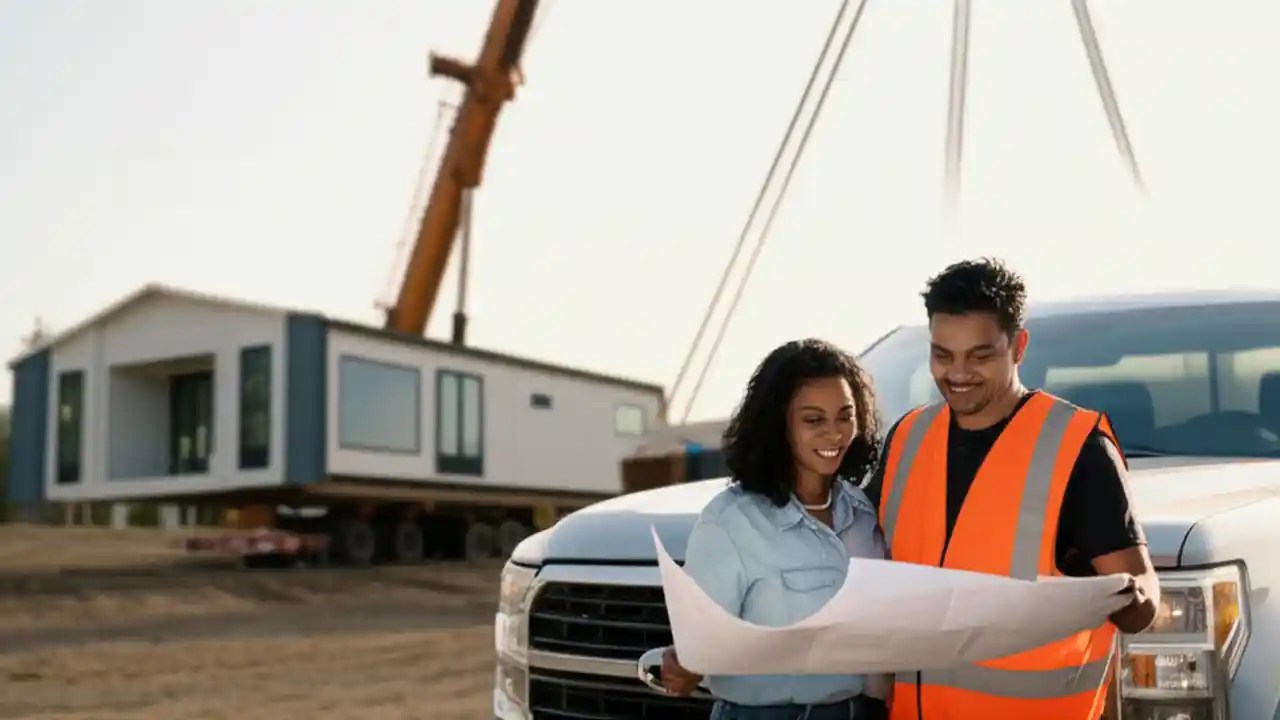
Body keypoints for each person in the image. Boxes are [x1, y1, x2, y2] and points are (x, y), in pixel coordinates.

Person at [861, 258, 1160, 720]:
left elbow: (1142, 601)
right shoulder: (906, 439)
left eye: (979, 356)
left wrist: (1126, 598)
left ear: (1018, 346)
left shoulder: (1078, 448)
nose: (958, 373)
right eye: (943, 355)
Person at [660, 338, 891, 720]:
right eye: (814, 420)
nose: (834, 433)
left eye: (844, 416)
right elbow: (696, 647)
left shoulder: (863, 514)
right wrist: (682, 665)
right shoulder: (731, 522)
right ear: (778, 426)